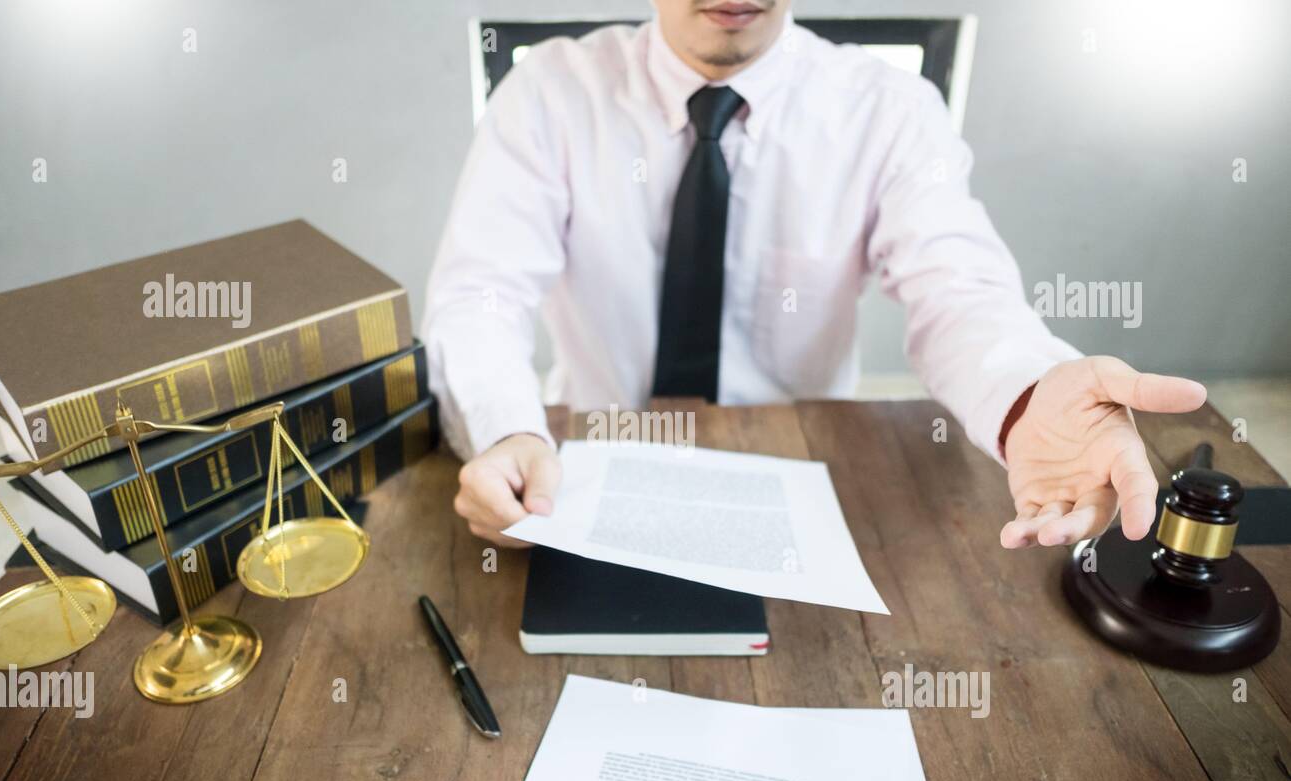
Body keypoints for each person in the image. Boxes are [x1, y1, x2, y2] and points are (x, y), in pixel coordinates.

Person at [425, 0, 1206, 550]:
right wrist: (506, 429)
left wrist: (1031, 395)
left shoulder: (892, 109)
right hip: (586, 456)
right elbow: (479, 293)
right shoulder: (547, 94)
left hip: (799, 468)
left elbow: (956, 288)